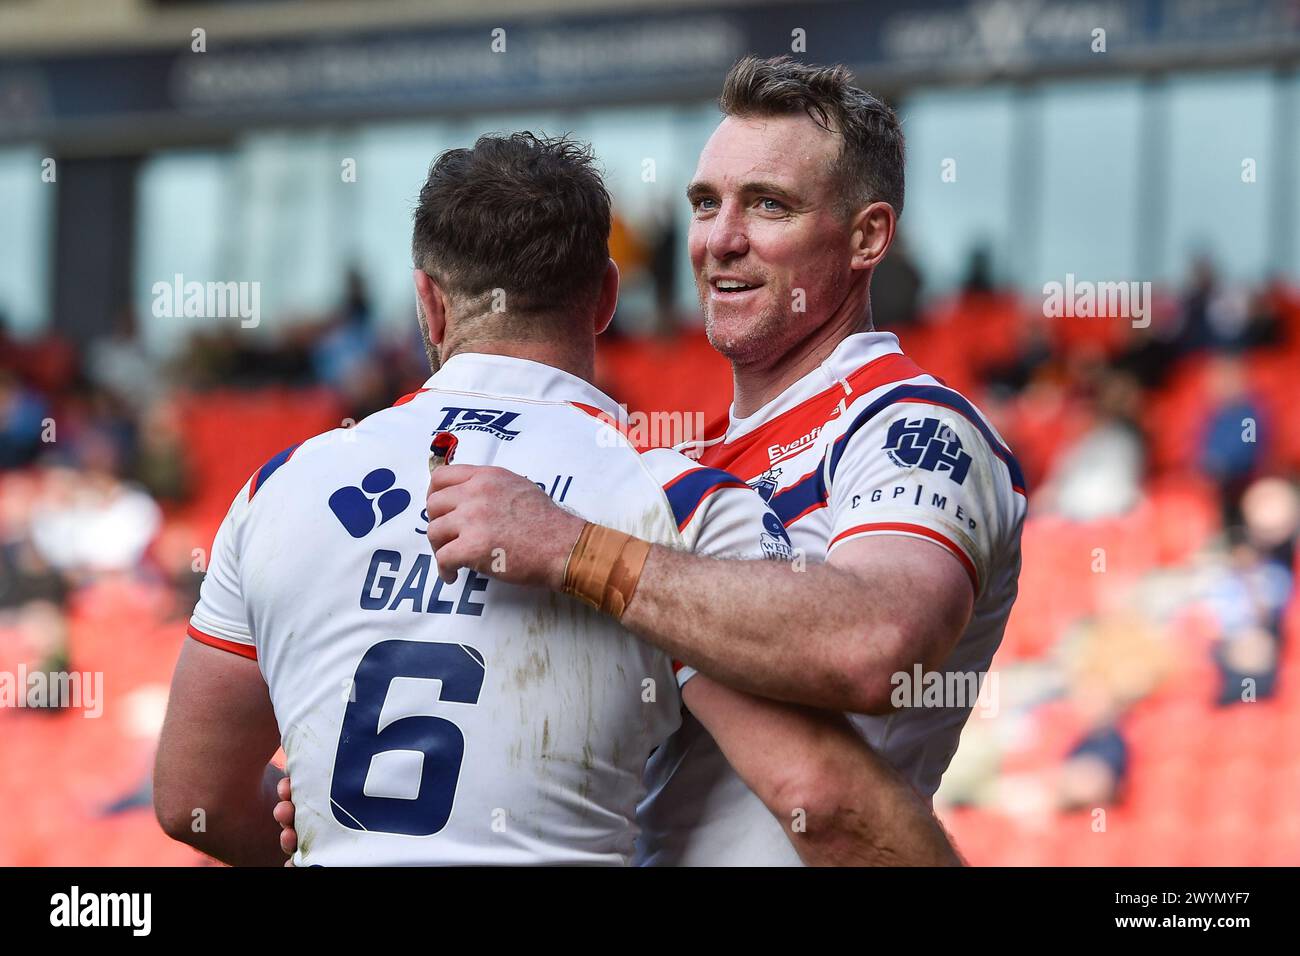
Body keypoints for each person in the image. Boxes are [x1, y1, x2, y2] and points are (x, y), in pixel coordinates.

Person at [154, 132, 957, 866]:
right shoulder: (679, 505)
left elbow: (194, 799)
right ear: (605, 298)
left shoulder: (278, 488)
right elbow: (819, 797)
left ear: (428, 301)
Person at [411, 57, 1027, 865]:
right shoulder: (679, 461)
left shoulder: (909, 424)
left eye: (769, 204)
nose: (720, 241)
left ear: (868, 236)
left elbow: (878, 641)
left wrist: (574, 548)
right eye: (706, 203)